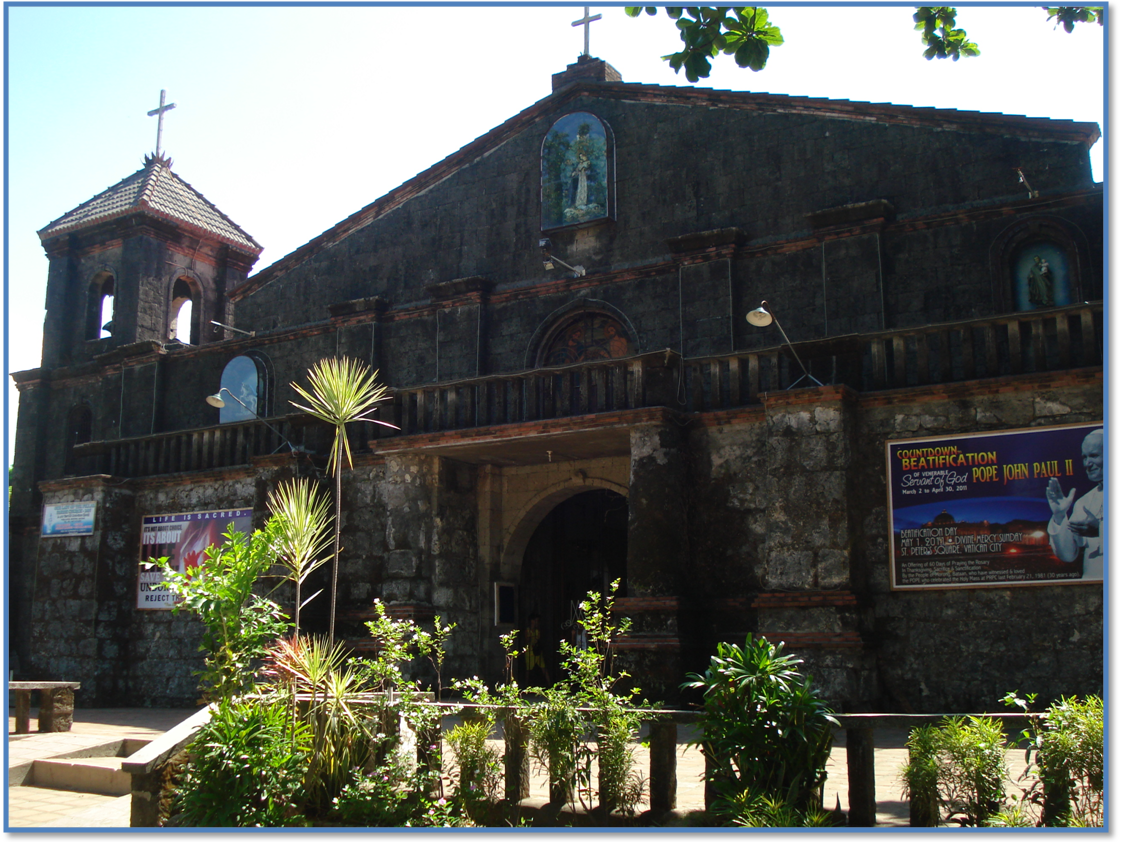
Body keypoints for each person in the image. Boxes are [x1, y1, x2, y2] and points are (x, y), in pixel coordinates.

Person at [1046, 428, 1104, 579]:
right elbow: (1068, 555)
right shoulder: (1083, 502)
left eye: (1094, 456)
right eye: (1084, 457)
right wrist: (1059, 515)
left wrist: (1100, 531)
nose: (1087, 463)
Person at [524, 612, 551, 686]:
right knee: (528, 669)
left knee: (543, 667)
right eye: (536, 620)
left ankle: (549, 684)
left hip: (537, 650)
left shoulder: (537, 631)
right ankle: (526, 685)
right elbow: (526, 641)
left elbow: (538, 640)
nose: (537, 622)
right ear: (532, 621)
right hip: (529, 651)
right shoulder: (528, 630)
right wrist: (530, 638)